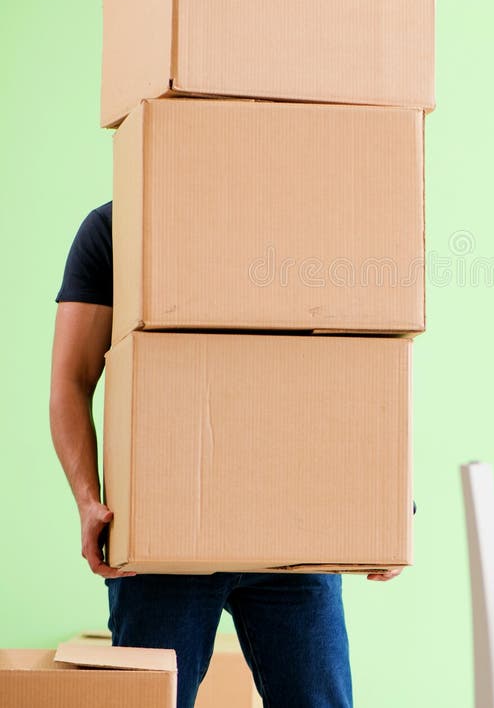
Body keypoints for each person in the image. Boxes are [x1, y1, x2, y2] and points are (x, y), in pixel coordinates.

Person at [49, 201, 403, 708]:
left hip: (293, 529)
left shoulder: (312, 222)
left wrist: (382, 493)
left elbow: (360, 359)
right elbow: (70, 380)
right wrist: (87, 500)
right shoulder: (117, 227)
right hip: (163, 539)